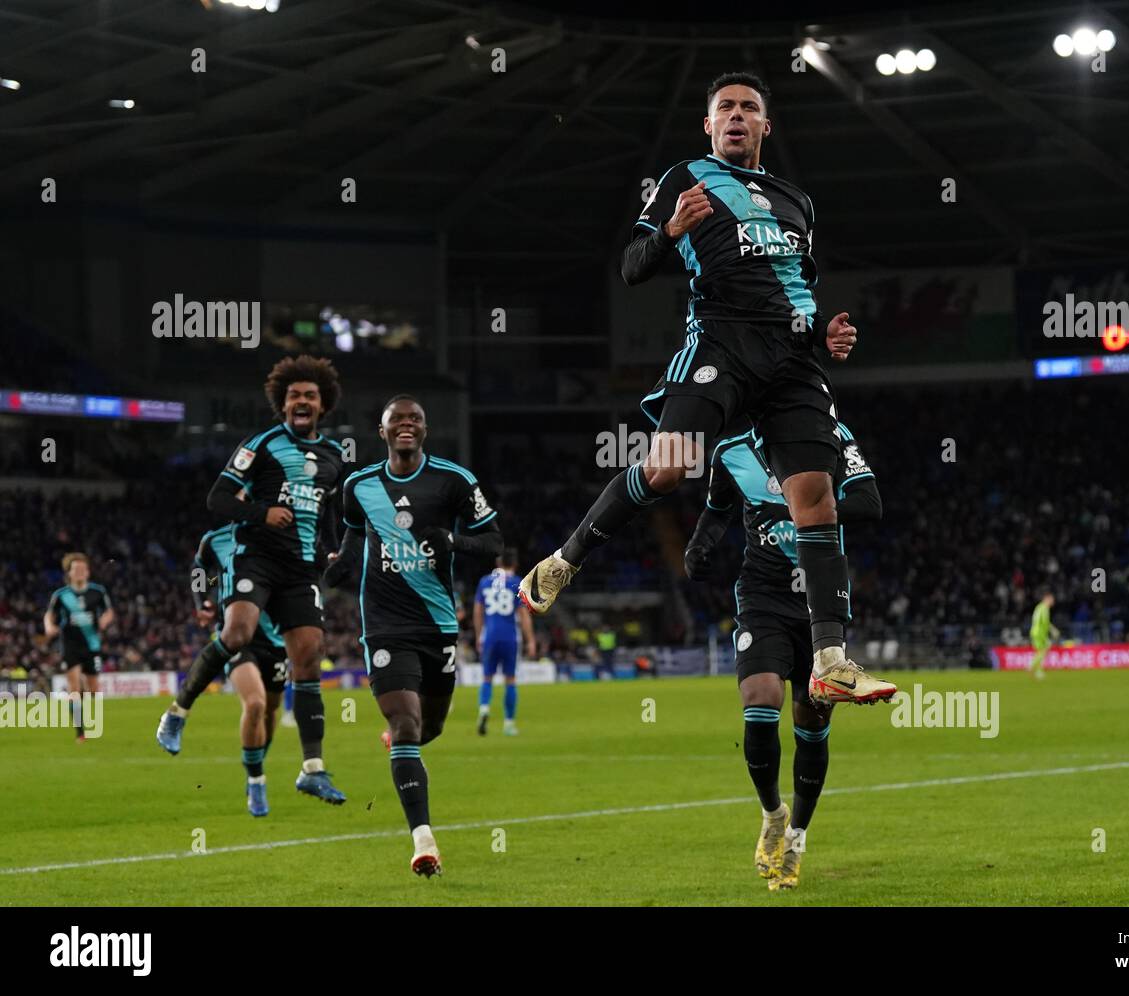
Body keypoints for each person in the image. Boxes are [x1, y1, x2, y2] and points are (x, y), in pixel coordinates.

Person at [519, 72, 891, 707]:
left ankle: (830, 659)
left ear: (766, 126)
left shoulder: (797, 201)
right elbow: (632, 267)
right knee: (667, 470)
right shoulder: (683, 178)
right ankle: (564, 559)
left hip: (795, 363)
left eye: (750, 108)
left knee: (817, 504)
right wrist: (668, 233)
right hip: (722, 346)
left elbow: (796, 288)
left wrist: (823, 334)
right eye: (726, 109)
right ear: (710, 125)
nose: (738, 116)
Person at [685, 419, 889, 890]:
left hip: (820, 601)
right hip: (762, 598)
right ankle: (773, 813)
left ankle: (796, 837)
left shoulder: (830, 434)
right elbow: (717, 510)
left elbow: (870, 503)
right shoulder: (730, 452)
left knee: (811, 726)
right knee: (760, 699)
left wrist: (804, 504)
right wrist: (700, 544)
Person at [325, 395, 503, 876]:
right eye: (396, 420)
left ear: (425, 430)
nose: (406, 425)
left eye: (415, 420)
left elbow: (493, 543)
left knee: (432, 728)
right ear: (380, 432)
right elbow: (353, 540)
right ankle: (424, 841)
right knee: (407, 723)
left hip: (439, 624)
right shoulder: (358, 485)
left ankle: (401, 743)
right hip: (384, 626)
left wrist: (454, 542)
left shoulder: (454, 481)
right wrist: (337, 568)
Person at [168, 356, 348, 803]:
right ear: (282, 404)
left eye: (309, 395)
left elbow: (327, 516)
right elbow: (218, 498)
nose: (301, 401)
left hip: (300, 570)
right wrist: (261, 513)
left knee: (308, 659)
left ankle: (312, 769)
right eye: (293, 396)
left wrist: (330, 551)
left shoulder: (332, 457)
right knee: (237, 631)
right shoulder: (262, 444)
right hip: (257, 558)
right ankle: (178, 710)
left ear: (322, 405)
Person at [157, 526, 289, 817]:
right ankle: (256, 781)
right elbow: (199, 569)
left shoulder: (283, 533)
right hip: (236, 635)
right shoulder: (215, 540)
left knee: (270, 711)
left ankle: (255, 766)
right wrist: (202, 601)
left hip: (276, 639)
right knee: (255, 704)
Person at [43, 552, 113, 742]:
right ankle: (80, 732)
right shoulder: (61, 595)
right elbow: (49, 615)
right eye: (76, 569)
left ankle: (82, 695)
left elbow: (108, 612)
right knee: (73, 687)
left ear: (88, 572)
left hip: (91, 644)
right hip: (70, 644)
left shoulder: (98, 592)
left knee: (93, 689)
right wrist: (49, 626)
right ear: (70, 574)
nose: (80, 572)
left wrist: (105, 621)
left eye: (83, 569)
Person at [472, 548, 536, 736]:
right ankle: (508, 723)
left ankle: (484, 709)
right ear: (514, 565)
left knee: (486, 677)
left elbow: (477, 611)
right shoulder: (517, 583)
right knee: (510, 679)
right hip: (510, 636)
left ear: (498, 564)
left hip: (489, 635)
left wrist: (479, 635)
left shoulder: (484, 581)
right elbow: (524, 614)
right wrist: (531, 640)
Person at [1029, 592, 1059, 680]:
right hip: (1039, 632)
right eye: (1051, 599)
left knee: (1041, 651)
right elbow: (1045, 622)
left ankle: (1038, 671)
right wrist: (1053, 630)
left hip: (1035, 631)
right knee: (1044, 649)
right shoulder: (1044, 608)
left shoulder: (1039, 607)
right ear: (1047, 599)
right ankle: (1031, 667)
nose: (1053, 601)